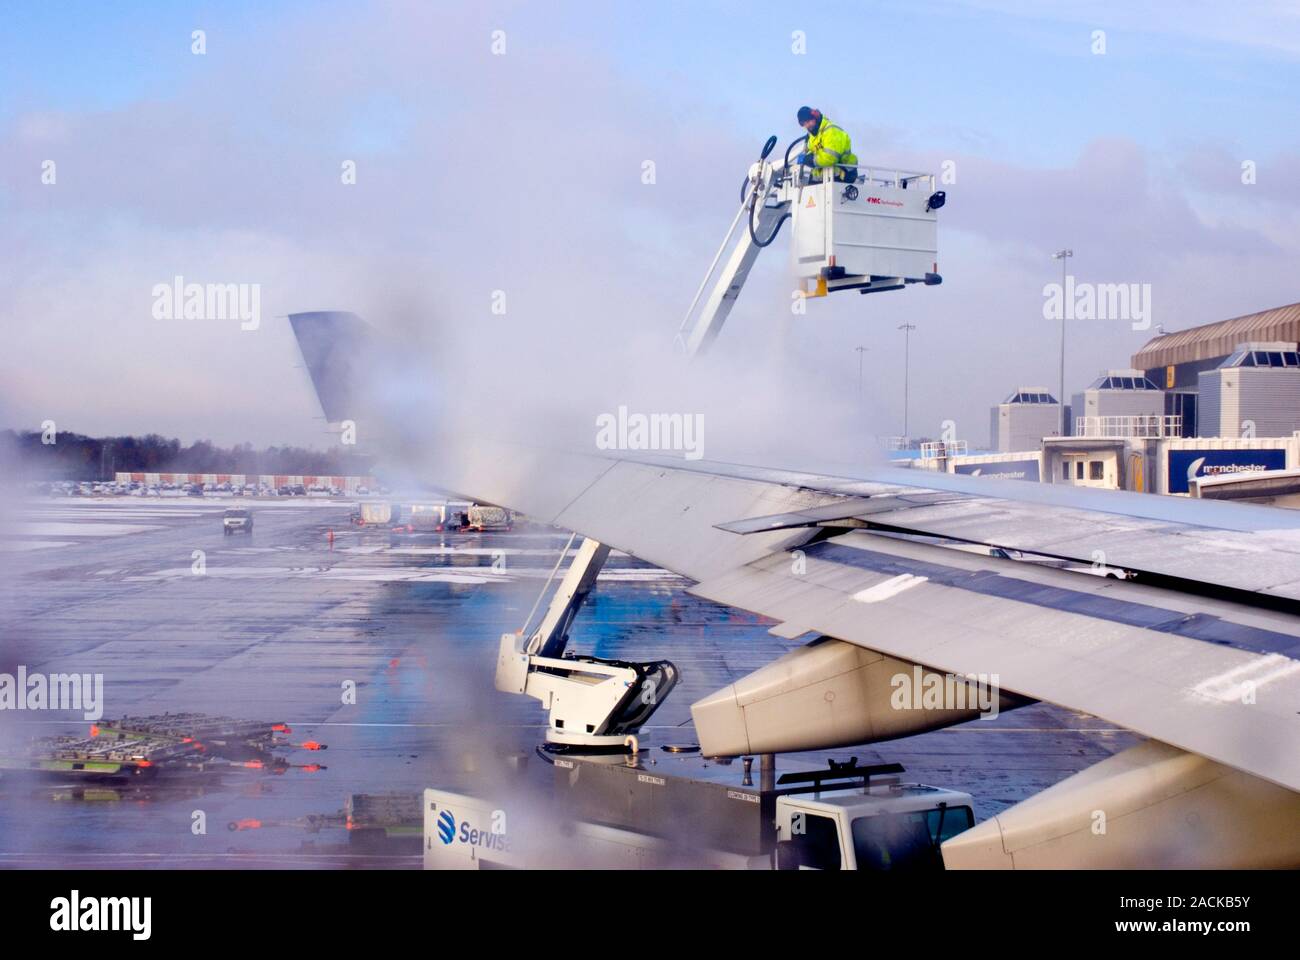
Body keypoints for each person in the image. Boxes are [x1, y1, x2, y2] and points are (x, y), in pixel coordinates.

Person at [795, 106, 858, 182]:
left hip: (844, 174)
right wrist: (806, 157)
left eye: (808, 121)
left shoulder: (831, 130)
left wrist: (811, 160)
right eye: (804, 124)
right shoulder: (813, 137)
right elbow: (811, 151)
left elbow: (830, 158)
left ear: (815, 117)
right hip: (825, 178)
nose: (807, 126)